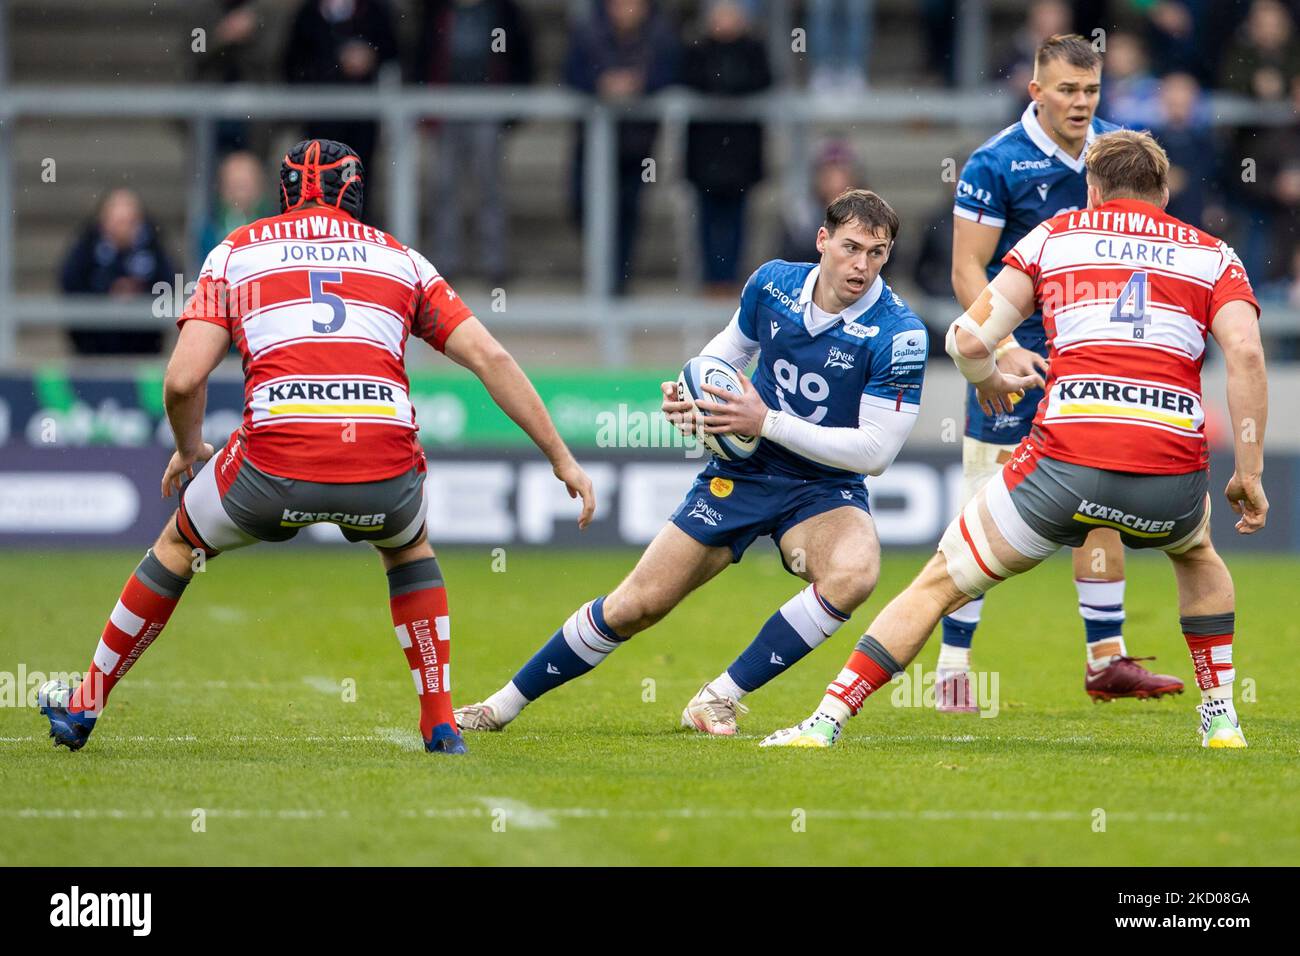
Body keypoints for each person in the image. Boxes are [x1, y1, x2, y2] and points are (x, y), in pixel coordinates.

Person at [37, 139, 596, 756]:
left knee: (178, 544)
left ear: (282, 190)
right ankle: (439, 721)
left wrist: (189, 446)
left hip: (272, 461)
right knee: (408, 550)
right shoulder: (400, 260)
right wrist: (560, 457)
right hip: (382, 465)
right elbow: (490, 358)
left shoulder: (237, 252)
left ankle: (85, 702)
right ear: (356, 190)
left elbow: (181, 379)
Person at [761, 130, 1267, 751]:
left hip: (1062, 465)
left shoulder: (1057, 234)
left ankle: (824, 723)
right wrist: (1249, 472)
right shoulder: (1213, 254)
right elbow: (1245, 352)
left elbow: (967, 340)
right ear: (1163, 192)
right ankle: (1221, 717)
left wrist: (991, 380)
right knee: (1197, 556)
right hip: (1170, 471)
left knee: (938, 581)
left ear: (1093, 187)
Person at [453, 189, 929, 737]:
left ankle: (719, 697)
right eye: (851, 247)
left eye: (877, 252)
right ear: (823, 240)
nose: (862, 265)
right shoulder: (772, 284)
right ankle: (499, 706)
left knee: (855, 574)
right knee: (637, 605)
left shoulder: (900, 334)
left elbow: (876, 453)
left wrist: (765, 421)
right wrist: (691, 393)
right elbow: (725, 355)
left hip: (823, 490)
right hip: (744, 472)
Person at [945, 34, 1183, 711]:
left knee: (1101, 502)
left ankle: (1106, 660)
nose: (1081, 103)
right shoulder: (995, 163)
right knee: (982, 511)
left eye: (1091, 90)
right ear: (1036, 91)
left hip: (1093, 359)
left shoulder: (1118, 154)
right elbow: (968, 267)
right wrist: (997, 349)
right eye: (1068, 90)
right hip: (1012, 368)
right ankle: (954, 663)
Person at [413, 0, 535, 285]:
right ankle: (445, 262)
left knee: (489, 186)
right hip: (444, 107)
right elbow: (421, 57)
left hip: (488, 106)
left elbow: (521, 57)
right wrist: (424, 106)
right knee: (443, 186)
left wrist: (512, 108)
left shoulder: (504, 11)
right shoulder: (436, 11)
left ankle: (495, 263)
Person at [565, 0, 681, 295]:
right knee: (583, 204)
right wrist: (600, 84)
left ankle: (616, 283)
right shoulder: (588, 31)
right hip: (591, 143)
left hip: (637, 145)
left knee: (627, 213)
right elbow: (571, 73)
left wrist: (639, 85)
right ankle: (601, 274)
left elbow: (671, 73)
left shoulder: (659, 36)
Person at [682, 0, 771, 294]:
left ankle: (731, 278)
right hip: (705, 156)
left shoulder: (753, 50)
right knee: (706, 220)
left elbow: (761, 81)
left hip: (740, 156)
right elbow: (691, 80)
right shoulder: (697, 50)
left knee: (737, 221)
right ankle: (710, 278)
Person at [60, 188, 178, 356]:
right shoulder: (86, 246)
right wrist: (105, 292)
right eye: (118, 221)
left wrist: (139, 293)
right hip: (94, 350)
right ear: (104, 221)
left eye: (129, 222)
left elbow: (169, 284)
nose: (123, 229)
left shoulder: (153, 246)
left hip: (144, 349)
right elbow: (70, 285)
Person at [195, 150, 275, 264]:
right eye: (235, 185)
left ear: (259, 186)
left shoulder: (274, 223)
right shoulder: (211, 227)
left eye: (244, 185)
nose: (239, 194)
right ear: (223, 188)